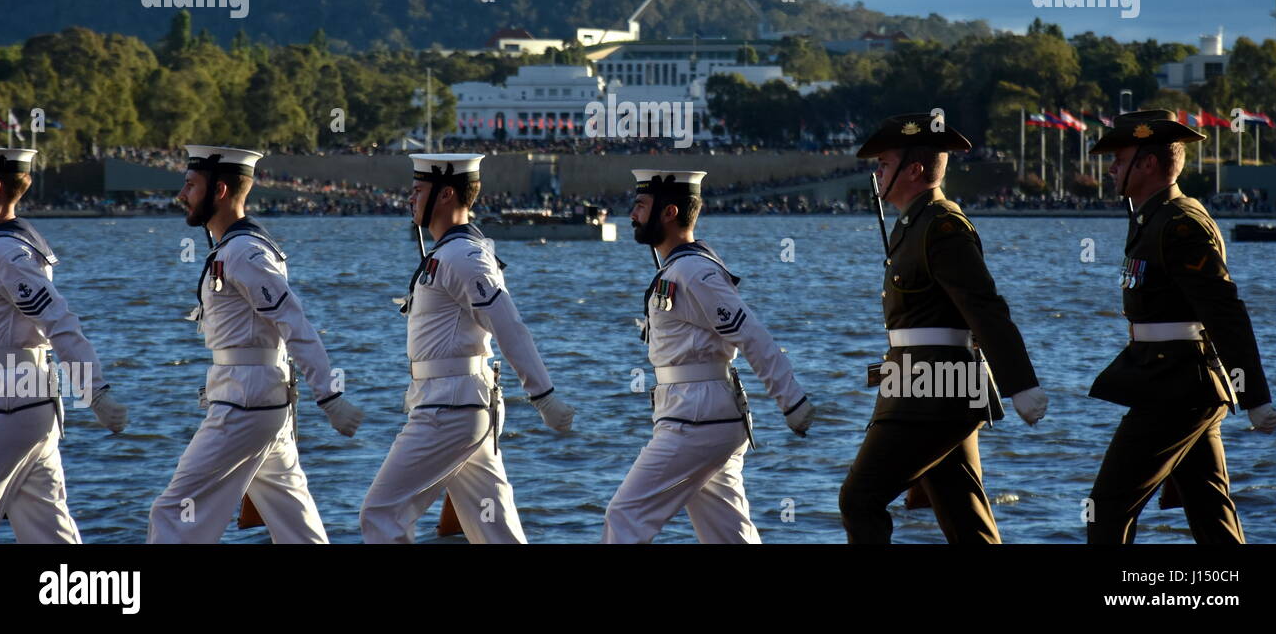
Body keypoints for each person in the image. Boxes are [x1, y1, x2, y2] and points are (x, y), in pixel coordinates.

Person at [840, 114, 1047, 543]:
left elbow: (984, 308)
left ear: (913, 170)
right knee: (964, 518)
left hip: (937, 392)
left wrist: (1020, 384)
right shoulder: (914, 224)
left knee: (860, 498)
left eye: (884, 163)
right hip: (921, 387)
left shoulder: (941, 226)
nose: (877, 172)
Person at [147, 145, 364, 543]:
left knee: (173, 514)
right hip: (259, 401)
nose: (182, 194)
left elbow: (293, 321)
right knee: (295, 525)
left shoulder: (244, 252)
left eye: (191, 185)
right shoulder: (236, 247)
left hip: (245, 404)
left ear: (221, 191)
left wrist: (329, 396)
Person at [1085, 110, 1276, 544]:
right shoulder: (1152, 217)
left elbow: (1224, 310)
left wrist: (1255, 396)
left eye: (1119, 158)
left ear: (1148, 164)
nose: (1111, 168)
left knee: (1107, 507)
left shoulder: (1180, 223)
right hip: (1178, 383)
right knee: (1211, 514)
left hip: (1175, 388)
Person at [359, 153, 574, 543]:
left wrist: (543, 396)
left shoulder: (463, 255)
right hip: (456, 404)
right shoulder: (449, 253)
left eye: (418, 190)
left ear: (444, 195)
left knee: (381, 514)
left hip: (451, 408)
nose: (409, 198)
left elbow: (508, 325)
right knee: (494, 532)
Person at [602, 169, 815, 544]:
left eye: (640, 206)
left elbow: (752, 334)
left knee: (625, 517)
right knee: (727, 536)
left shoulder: (695, 271)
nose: (632, 215)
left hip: (696, 418)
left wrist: (791, 401)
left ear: (668, 213)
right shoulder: (680, 267)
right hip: (701, 415)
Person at [0, 148, 127, 543]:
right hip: (26, 405)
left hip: (7, 404)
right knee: (51, 537)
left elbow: (58, 320)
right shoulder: (8, 245)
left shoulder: (6, 253)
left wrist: (93, 392)